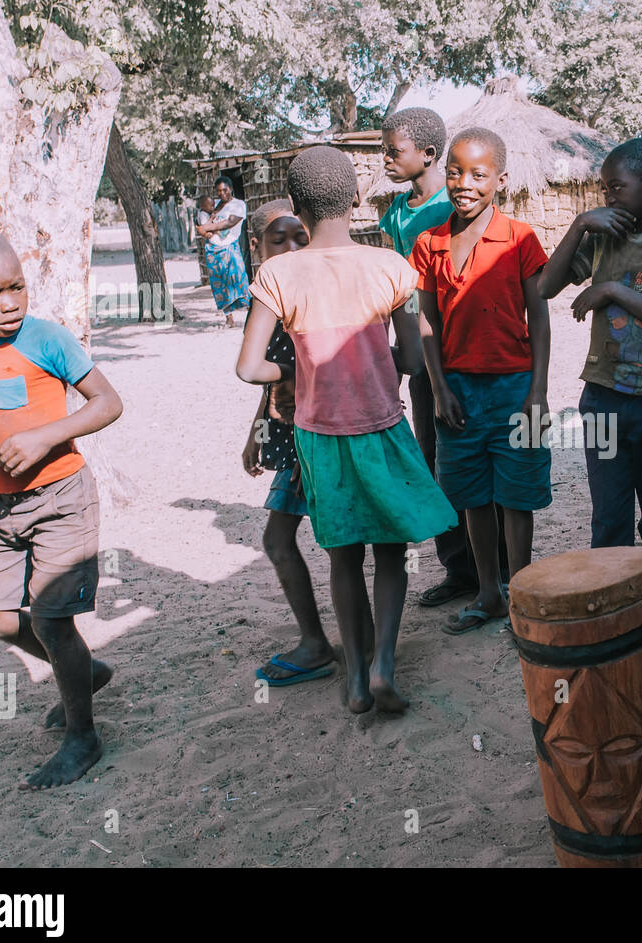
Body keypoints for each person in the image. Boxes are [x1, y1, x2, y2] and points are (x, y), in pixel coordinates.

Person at [237, 146, 457, 714]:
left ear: (298, 207)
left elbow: (248, 368)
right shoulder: (391, 267)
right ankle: (386, 664)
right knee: (389, 554)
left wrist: (293, 369)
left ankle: (355, 678)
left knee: (342, 558)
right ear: (356, 199)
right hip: (382, 425)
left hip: (318, 435)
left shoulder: (277, 272)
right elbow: (412, 360)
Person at [0, 225, 124, 788]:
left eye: (17, 286)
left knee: (50, 618)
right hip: (1, 506)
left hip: (63, 498)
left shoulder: (47, 339)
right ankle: (85, 672)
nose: (10, 302)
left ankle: (82, 737)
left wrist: (46, 436)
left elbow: (108, 403)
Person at [538, 138, 642, 606]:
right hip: (605, 400)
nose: (607, 198)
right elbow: (544, 286)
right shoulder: (600, 239)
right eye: (604, 189)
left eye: (616, 188)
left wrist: (611, 288)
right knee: (609, 517)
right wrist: (578, 226)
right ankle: (616, 611)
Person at [410, 128, 552, 635]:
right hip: (458, 392)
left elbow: (540, 318)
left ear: (500, 180)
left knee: (517, 495)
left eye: (478, 174)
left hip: (515, 387)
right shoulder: (430, 243)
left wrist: (537, 393)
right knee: (471, 494)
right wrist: (440, 386)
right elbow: (425, 320)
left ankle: (523, 593)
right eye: (455, 171)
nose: (464, 183)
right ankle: (489, 593)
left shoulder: (520, 239)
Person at [378, 107, 496, 610]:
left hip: (462, 349)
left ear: (428, 154)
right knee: (435, 460)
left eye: (392, 152)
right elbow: (389, 289)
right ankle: (460, 567)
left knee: (476, 454)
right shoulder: (395, 215)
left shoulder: (455, 207)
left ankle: (497, 568)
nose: (384, 160)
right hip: (423, 354)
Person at [237, 200, 337, 686]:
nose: (295, 247)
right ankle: (331, 642)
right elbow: (270, 382)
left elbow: (318, 375)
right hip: (293, 436)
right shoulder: (268, 296)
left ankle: (325, 645)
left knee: (294, 539)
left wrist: (303, 447)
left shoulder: (312, 294)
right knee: (293, 539)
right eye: (280, 240)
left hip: (316, 436)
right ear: (257, 247)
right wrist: (257, 432)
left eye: (302, 236)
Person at [195, 175, 249, 327]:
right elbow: (200, 217)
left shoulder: (239, 205)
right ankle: (229, 319)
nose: (222, 193)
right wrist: (203, 229)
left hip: (230, 247)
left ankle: (249, 314)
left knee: (239, 279)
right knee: (219, 285)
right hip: (212, 249)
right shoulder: (214, 204)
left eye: (225, 190)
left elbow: (228, 223)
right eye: (218, 191)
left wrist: (205, 228)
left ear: (231, 189)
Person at [196, 194, 217, 287]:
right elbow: (204, 227)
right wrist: (211, 219)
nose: (213, 207)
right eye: (211, 205)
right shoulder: (202, 215)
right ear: (203, 206)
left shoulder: (206, 213)